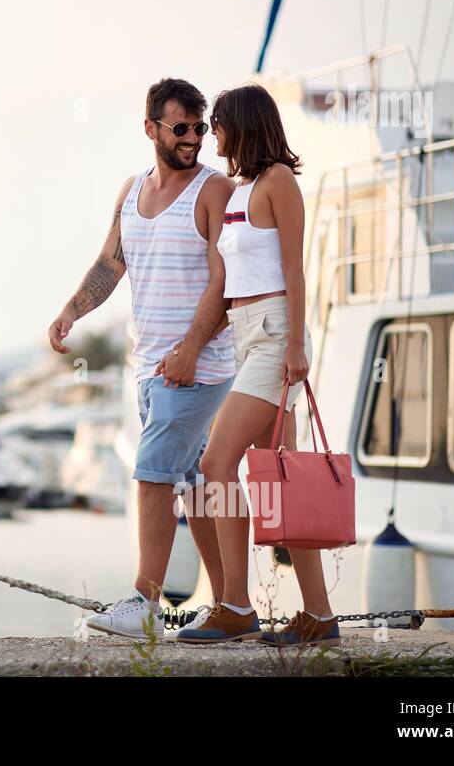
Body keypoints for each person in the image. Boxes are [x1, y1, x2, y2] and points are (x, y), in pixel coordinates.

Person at [48, 77, 235, 640]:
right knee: (198, 487)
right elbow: (111, 263)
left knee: (153, 476)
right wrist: (71, 311)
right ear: (150, 127)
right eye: (180, 127)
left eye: (199, 128)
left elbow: (227, 282)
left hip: (198, 368)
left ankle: (144, 601)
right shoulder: (131, 191)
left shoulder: (213, 191)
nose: (192, 138)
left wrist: (192, 349)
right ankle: (230, 605)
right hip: (150, 367)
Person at [176, 83, 338, 646]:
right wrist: (195, 344)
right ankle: (319, 616)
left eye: (217, 124)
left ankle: (236, 605)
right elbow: (234, 285)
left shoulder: (278, 182)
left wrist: (295, 345)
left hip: (276, 337)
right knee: (283, 479)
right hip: (248, 333)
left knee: (217, 465)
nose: (211, 134)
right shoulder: (240, 188)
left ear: (243, 123)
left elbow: (294, 271)